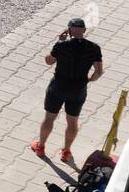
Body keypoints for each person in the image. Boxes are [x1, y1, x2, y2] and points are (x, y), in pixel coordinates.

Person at [31, 18, 104, 165]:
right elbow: (99, 71)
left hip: (58, 87)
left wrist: (58, 42)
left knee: (50, 117)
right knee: (72, 121)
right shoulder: (94, 48)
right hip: (78, 90)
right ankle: (66, 151)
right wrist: (90, 80)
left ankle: (41, 146)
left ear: (69, 30)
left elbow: (49, 61)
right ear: (84, 30)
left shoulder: (62, 46)